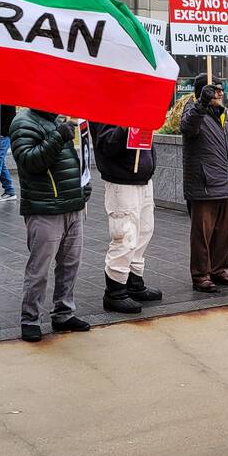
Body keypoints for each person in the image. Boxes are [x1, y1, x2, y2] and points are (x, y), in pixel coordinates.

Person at [8, 108, 92, 341]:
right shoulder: (22, 122)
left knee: (70, 265)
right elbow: (30, 161)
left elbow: (67, 163)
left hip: (72, 206)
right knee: (39, 269)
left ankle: (64, 313)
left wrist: (82, 185)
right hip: (45, 209)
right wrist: (59, 136)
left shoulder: (56, 120)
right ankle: (30, 318)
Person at [91, 122, 162, 314]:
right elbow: (107, 144)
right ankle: (115, 291)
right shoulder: (105, 108)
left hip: (142, 178)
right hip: (121, 180)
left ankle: (134, 282)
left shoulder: (132, 106)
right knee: (125, 235)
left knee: (144, 231)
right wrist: (126, 124)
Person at [181, 73, 228, 293]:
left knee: (224, 232)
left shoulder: (221, 114)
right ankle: (200, 274)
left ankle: (218, 269)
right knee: (202, 234)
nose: (221, 93)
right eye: (216, 89)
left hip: (223, 182)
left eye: (222, 89)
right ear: (203, 92)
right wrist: (201, 103)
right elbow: (188, 127)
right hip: (203, 185)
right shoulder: (193, 110)